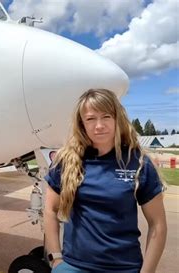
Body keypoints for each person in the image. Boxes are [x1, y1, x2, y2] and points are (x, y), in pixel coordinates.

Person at [44, 89, 167, 273]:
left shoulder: (138, 163)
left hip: (123, 268)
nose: (99, 125)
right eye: (91, 119)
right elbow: (50, 210)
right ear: (82, 124)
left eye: (106, 116)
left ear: (117, 119)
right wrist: (55, 258)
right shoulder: (67, 160)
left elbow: (157, 225)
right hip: (73, 266)